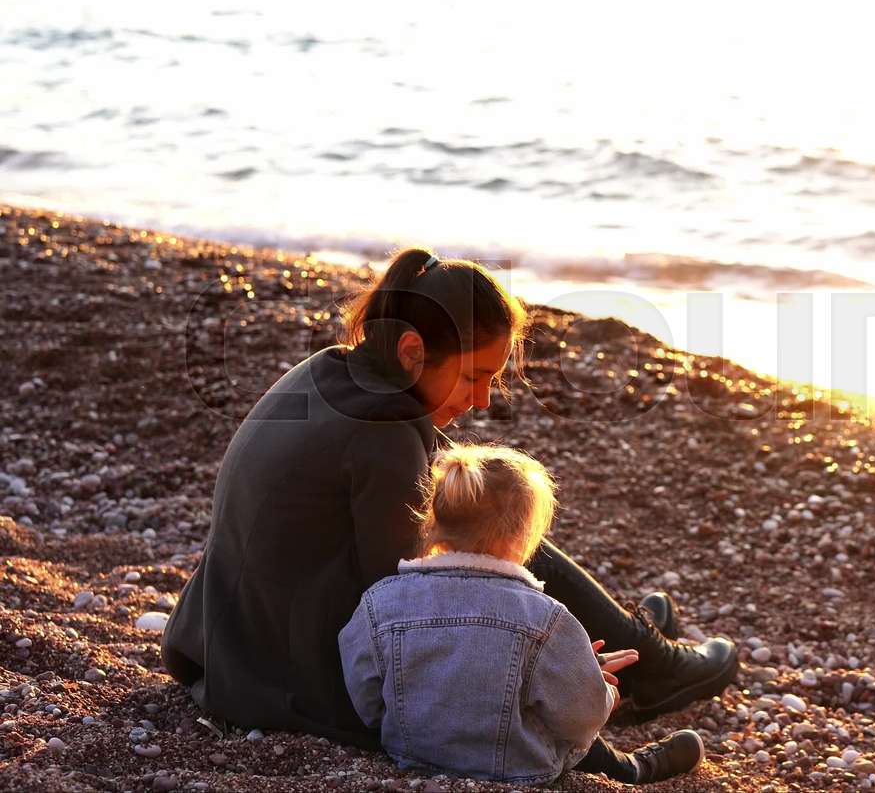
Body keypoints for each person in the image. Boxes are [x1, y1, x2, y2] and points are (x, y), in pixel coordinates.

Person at [161, 249, 738, 747]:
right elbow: (413, 598)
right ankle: (648, 661)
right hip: (288, 675)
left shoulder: (335, 370)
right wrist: (551, 656)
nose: (484, 401)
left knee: (484, 509)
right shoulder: (381, 433)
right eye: (472, 377)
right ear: (413, 350)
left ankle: (622, 638)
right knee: (486, 524)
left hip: (225, 636)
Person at [339, 444, 703, 785]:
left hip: (410, 758)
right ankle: (633, 769)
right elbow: (580, 719)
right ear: (521, 536)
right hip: (520, 770)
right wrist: (600, 690)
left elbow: (367, 698)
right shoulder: (545, 620)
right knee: (562, 725)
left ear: (433, 522)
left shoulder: (380, 603)